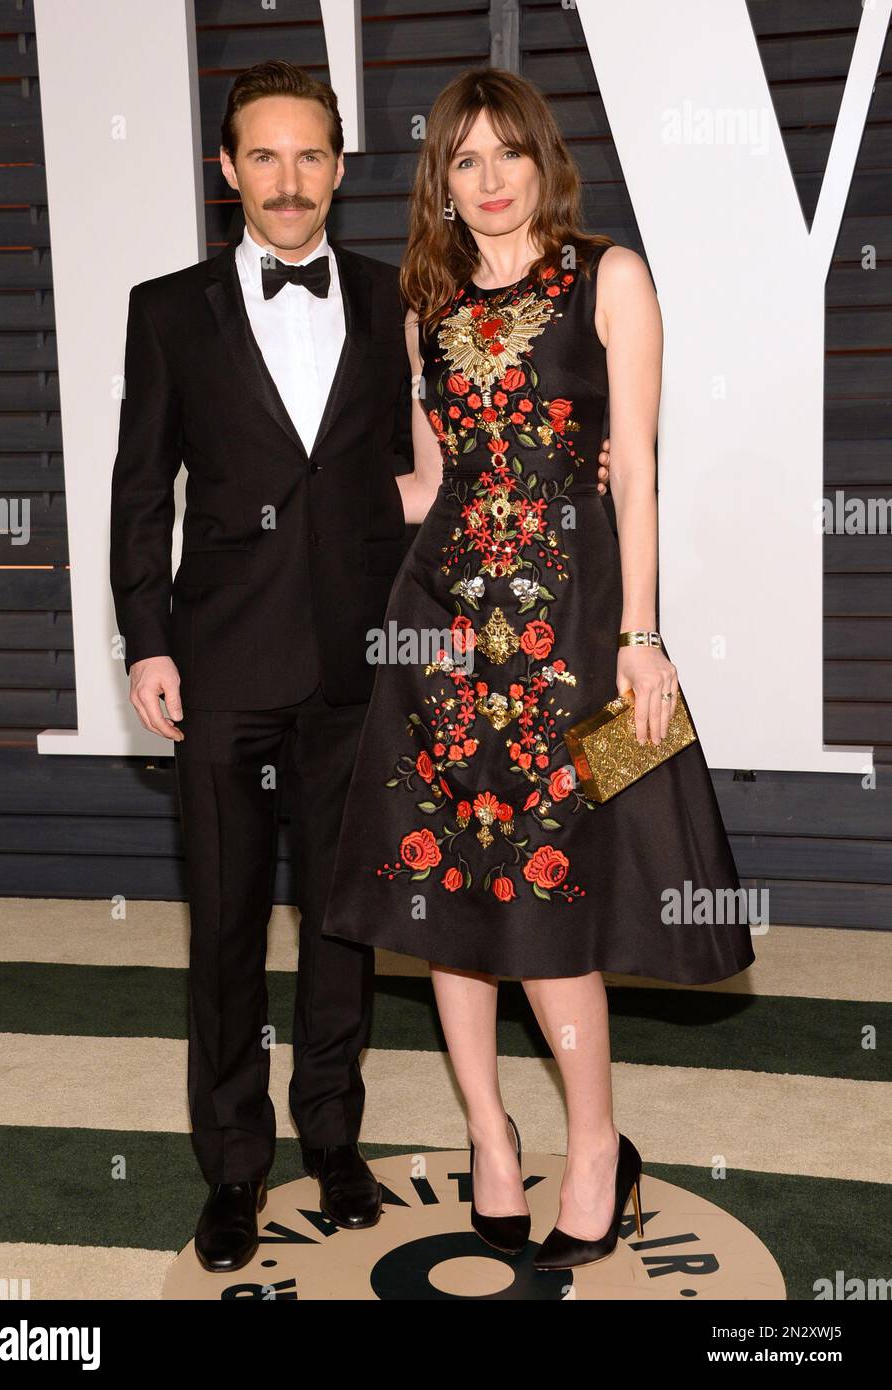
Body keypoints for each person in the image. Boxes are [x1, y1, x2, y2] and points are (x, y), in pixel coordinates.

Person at [109, 56, 616, 1275]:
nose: (289, 182)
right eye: (263, 158)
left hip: (372, 659)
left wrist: (570, 473)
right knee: (224, 928)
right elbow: (139, 491)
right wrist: (148, 639)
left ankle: (334, 1141)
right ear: (228, 172)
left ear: (342, 167)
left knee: (348, 925)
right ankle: (234, 1171)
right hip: (220, 664)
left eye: (311, 157)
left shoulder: (409, 299)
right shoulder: (166, 308)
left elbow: (453, 468)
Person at [320, 66, 755, 1271]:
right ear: (441, 184)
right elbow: (425, 484)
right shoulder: (424, 302)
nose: (491, 179)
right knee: (443, 900)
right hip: (441, 636)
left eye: (508, 153)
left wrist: (644, 637)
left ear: (542, 161)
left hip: (569, 635)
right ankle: (490, 1138)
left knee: (554, 895)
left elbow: (633, 472)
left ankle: (597, 1144)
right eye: (465, 161)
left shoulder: (610, 278)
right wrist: (305, 507)